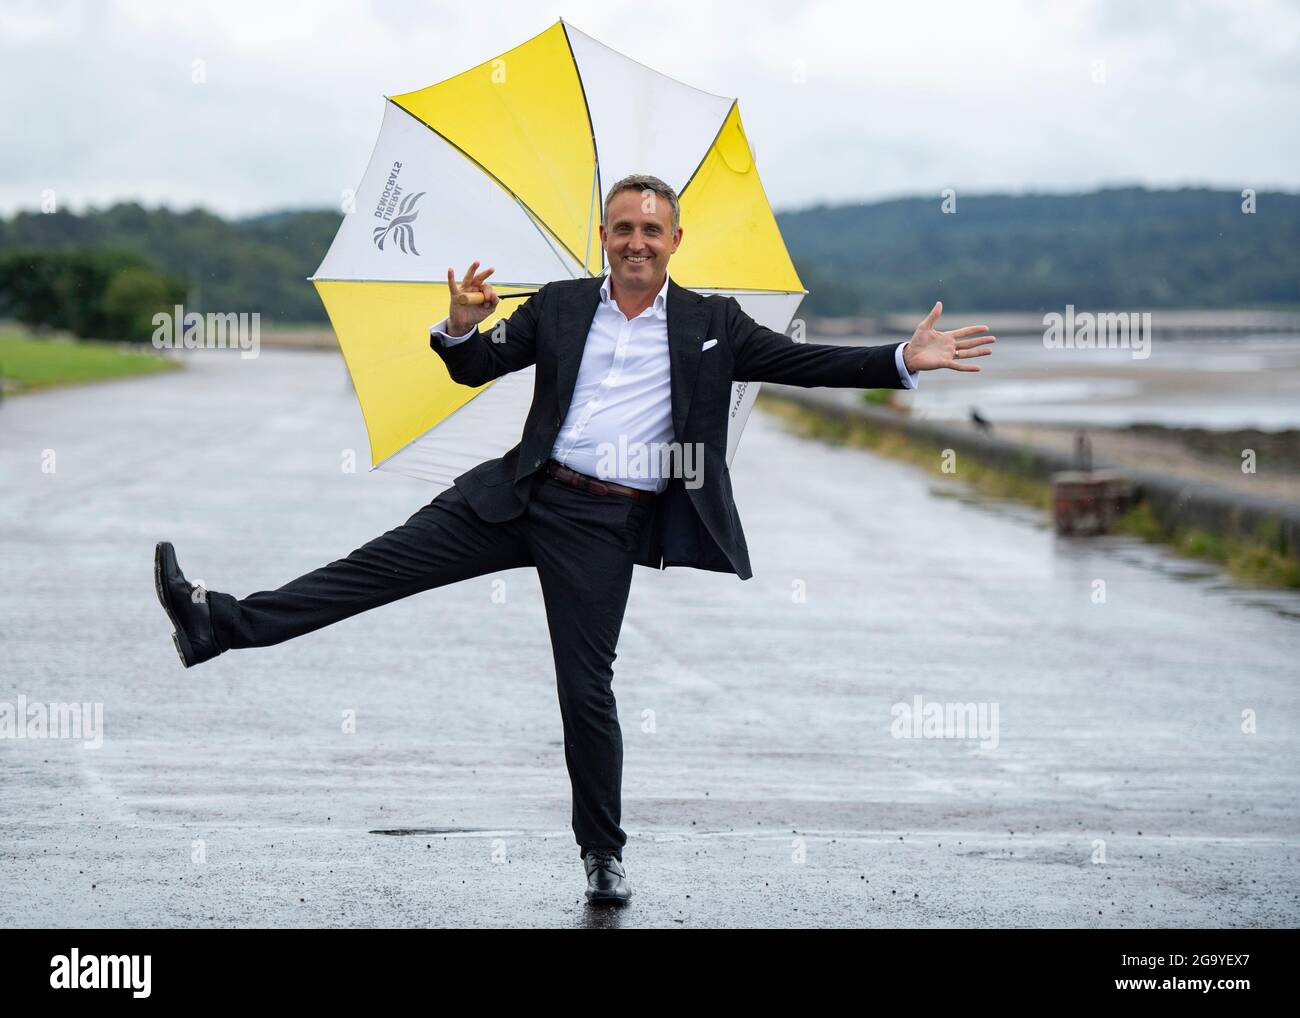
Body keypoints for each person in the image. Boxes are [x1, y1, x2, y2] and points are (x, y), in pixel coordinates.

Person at [154, 173, 995, 906]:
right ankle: (220, 623)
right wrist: (458, 327)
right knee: (375, 568)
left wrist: (903, 360)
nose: (636, 241)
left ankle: (603, 856)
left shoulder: (712, 322)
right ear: (605, 236)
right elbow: (475, 367)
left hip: (605, 521)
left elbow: (806, 365)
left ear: (674, 240)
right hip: (518, 493)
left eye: (651, 229)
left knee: (585, 690)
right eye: (622, 227)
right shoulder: (557, 305)